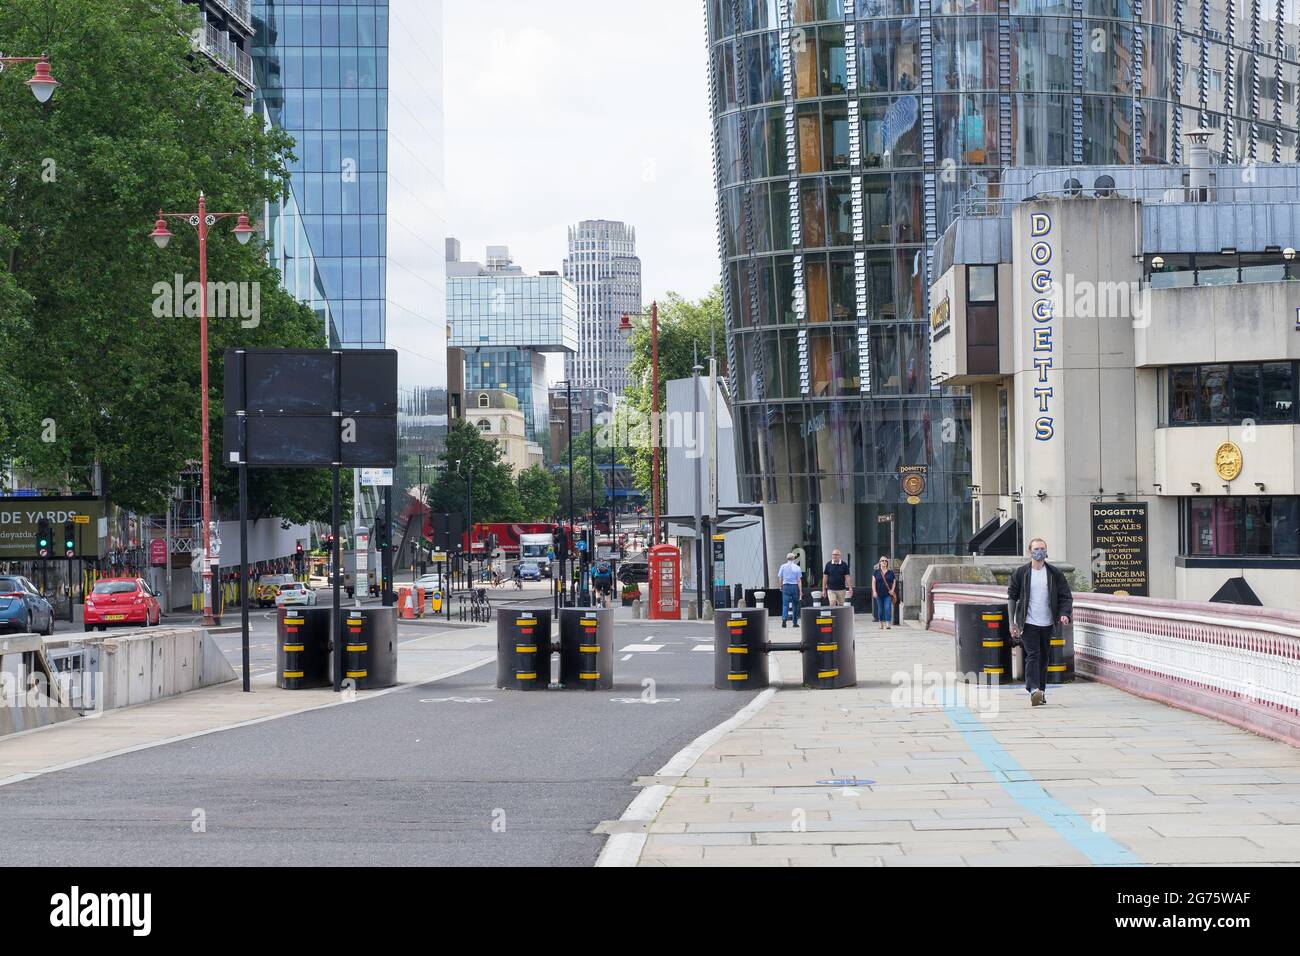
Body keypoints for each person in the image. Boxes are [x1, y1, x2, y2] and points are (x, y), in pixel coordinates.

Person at [1006, 537, 1073, 707]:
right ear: (1030, 551)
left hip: (1048, 623)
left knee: (1044, 658)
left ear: (1046, 551)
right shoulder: (1021, 573)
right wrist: (1012, 623)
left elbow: (1065, 596)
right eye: (1036, 549)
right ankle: (1033, 689)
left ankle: (1041, 691)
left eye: (1042, 548)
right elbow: (1011, 597)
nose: (1039, 552)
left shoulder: (1054, 573)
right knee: (1033, 655)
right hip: (1028, 622)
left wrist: (1065, 614)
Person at [776, 552, 803, 628]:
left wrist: (781, 586)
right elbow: (799, 580)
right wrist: (800, 591)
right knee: (795, 605)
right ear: (794, 559)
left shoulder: (783, 566)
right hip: (794, 587)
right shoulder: (797, 567)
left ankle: (784, 620)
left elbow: (780, 578)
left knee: (785, 605)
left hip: (786, 587)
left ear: (787, 558)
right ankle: (795, 623)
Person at [871, 557, 896, 629]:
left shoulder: (890, 572)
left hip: (887, 594)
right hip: (878, 593)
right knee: (880, 609)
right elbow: (873, 582)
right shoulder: (876, 572)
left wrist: (892, 590)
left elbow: (894, 581)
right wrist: (874, 591)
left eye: (886, 561)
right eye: (883, 561)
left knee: (887, 608)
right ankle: (881, 623)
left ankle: (888, 623)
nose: (884, 562)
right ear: (880, 562)